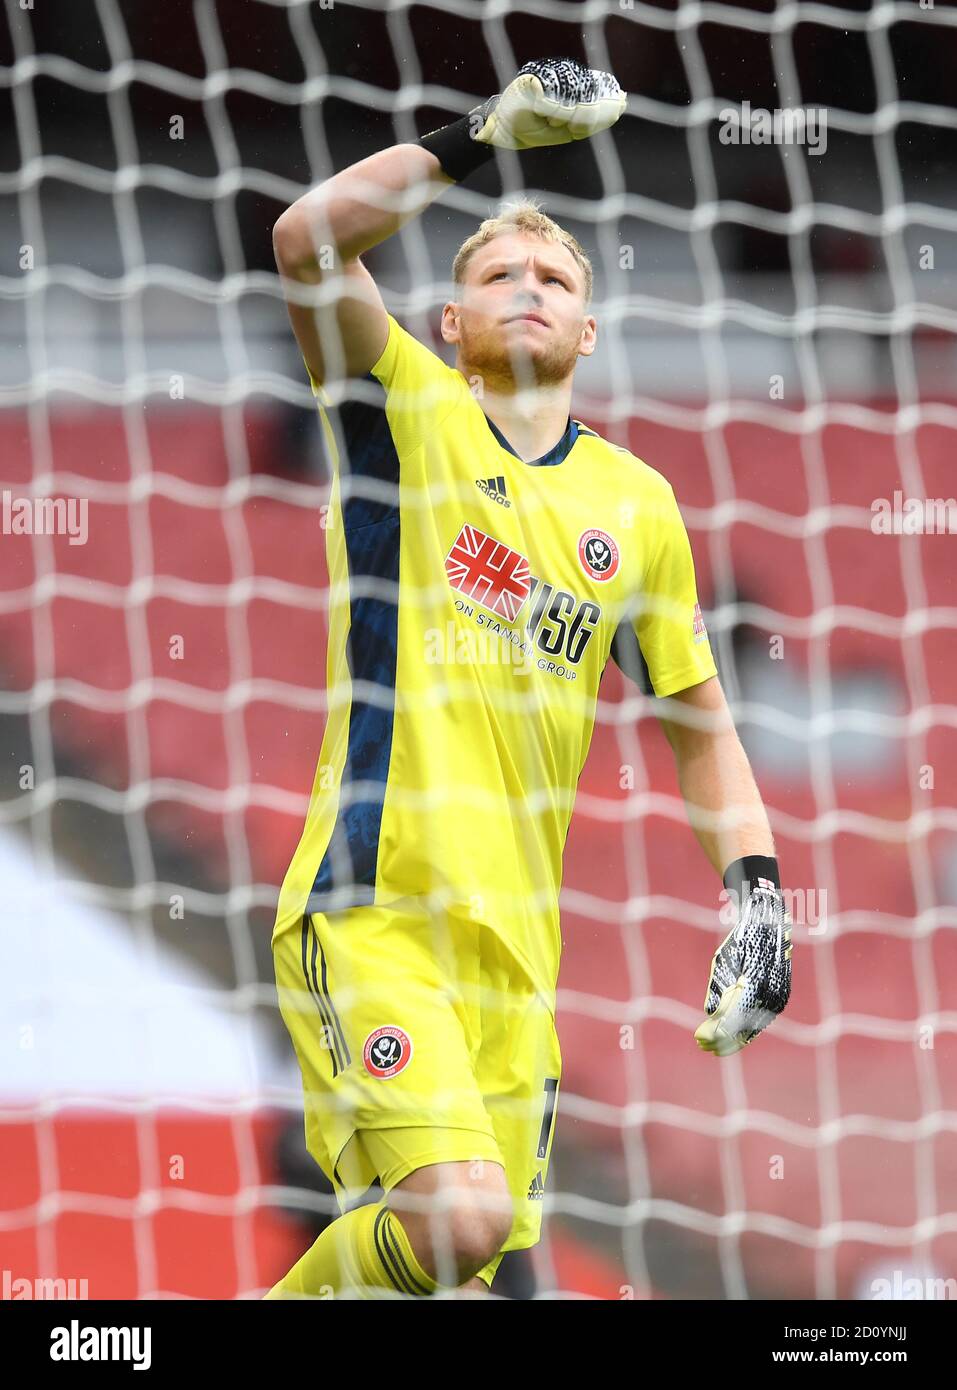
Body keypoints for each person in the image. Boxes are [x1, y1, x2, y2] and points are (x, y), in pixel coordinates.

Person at [264, 59, 791, 1300]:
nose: (528, 288)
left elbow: (700, 726)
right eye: (496, 272)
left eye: (554, 277)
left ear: (589, 329)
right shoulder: (401, 408)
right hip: (373, 906)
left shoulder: (638, 509)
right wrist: (485, 134)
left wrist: (759, 896)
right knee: (463, 1220)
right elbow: (303, 241)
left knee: (480, 1265)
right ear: (449, 324)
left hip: (516, 964)